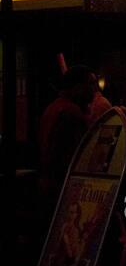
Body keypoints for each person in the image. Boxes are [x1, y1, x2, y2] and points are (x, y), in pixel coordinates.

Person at [38, 65, 98, 211]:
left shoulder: (53, 107)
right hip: (63, 189)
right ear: (78, 87)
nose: (94, 89)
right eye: (90, 84)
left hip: (48, 185)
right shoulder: (71, 113)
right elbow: (74, 156)